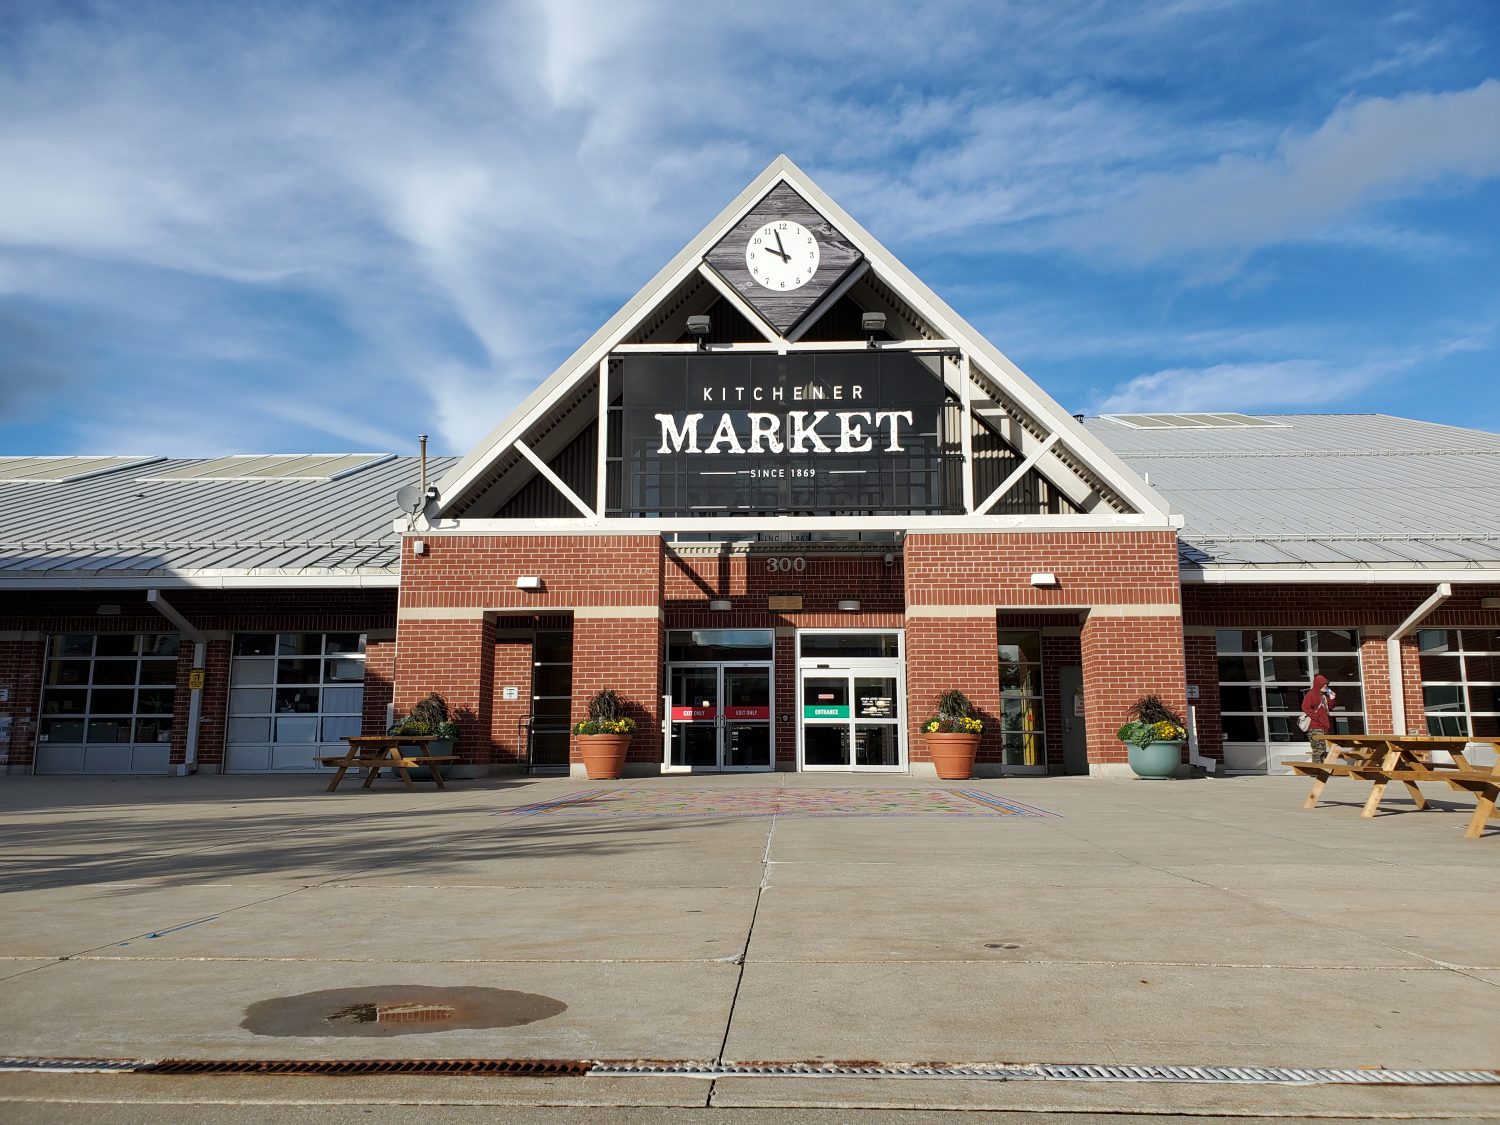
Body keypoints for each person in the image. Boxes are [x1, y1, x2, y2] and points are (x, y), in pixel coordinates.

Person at [1301, 673, 1336, 762]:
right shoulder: (1311, 694)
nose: (1326, 685)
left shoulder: (1323, 696)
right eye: (1324, 684)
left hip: (1323, 727)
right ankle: (1316, 771)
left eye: (1326, 684)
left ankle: (1321, 771)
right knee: (1318, 750)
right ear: (1318, 684)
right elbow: (1305, 707)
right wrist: (1317, 718)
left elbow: (1331, 706)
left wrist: (1332, 698)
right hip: (1315, 728)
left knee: (1323, 751)